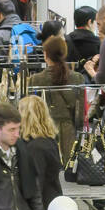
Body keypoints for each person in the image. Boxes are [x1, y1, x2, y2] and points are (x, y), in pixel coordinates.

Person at [27, 36, 86, 166]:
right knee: (69, 169)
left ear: (46, 54)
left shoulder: (35, 80)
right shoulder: (77, 78)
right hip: (68, 129)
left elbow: (31, 113)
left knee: (47, 170)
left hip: (43, 132)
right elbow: (80, 111)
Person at [18, 93, 63, 210]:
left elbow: (36, 185)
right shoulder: (48, 141)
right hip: (52, 201)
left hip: (43, 208)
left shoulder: (35, 148)